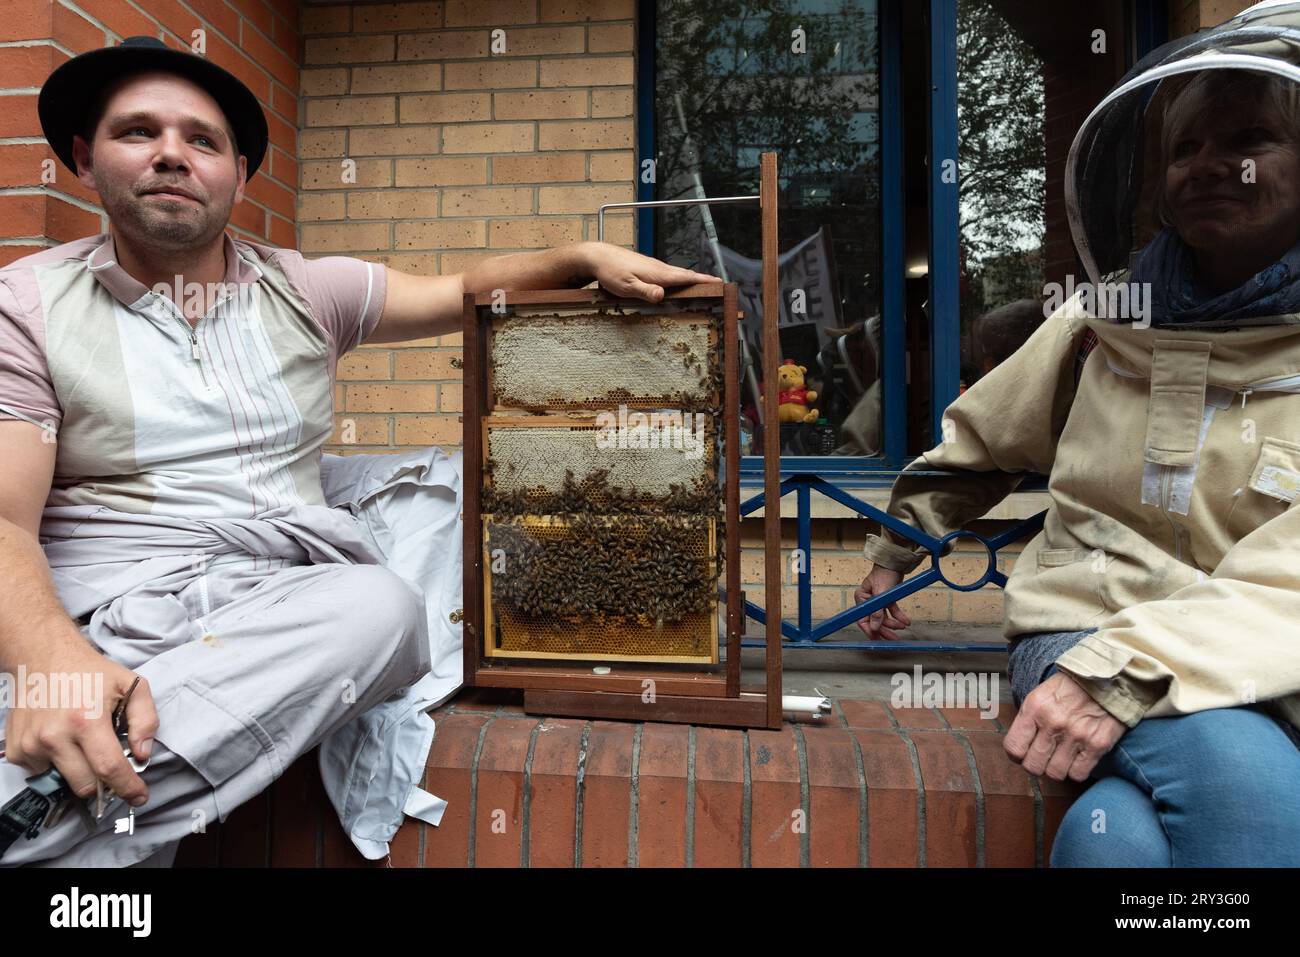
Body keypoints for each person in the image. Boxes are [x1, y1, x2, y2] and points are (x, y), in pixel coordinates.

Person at [0, 36, 717, 867]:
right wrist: (55, 660)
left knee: (381, 608)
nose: (171, 154)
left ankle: (33, 819)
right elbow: (6, 519)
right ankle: (65, 840)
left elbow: (459, 292)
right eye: (138, 132)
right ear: (86, 160)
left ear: (239, 174)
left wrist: (578, 257)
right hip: (103, 605)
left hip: (268, 610)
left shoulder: (309, 290)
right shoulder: (29, 305)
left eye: (202, 140)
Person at [855, 4, 1300, 867]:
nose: (1211, 166)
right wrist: (894, 546)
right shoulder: (1108, 319)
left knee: (1116, 846)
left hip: (1259, 661)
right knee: (1251, 802)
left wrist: (1129, 672)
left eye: (1249, 139)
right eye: (1184, 149)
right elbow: (983, 439)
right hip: (1081, 631)